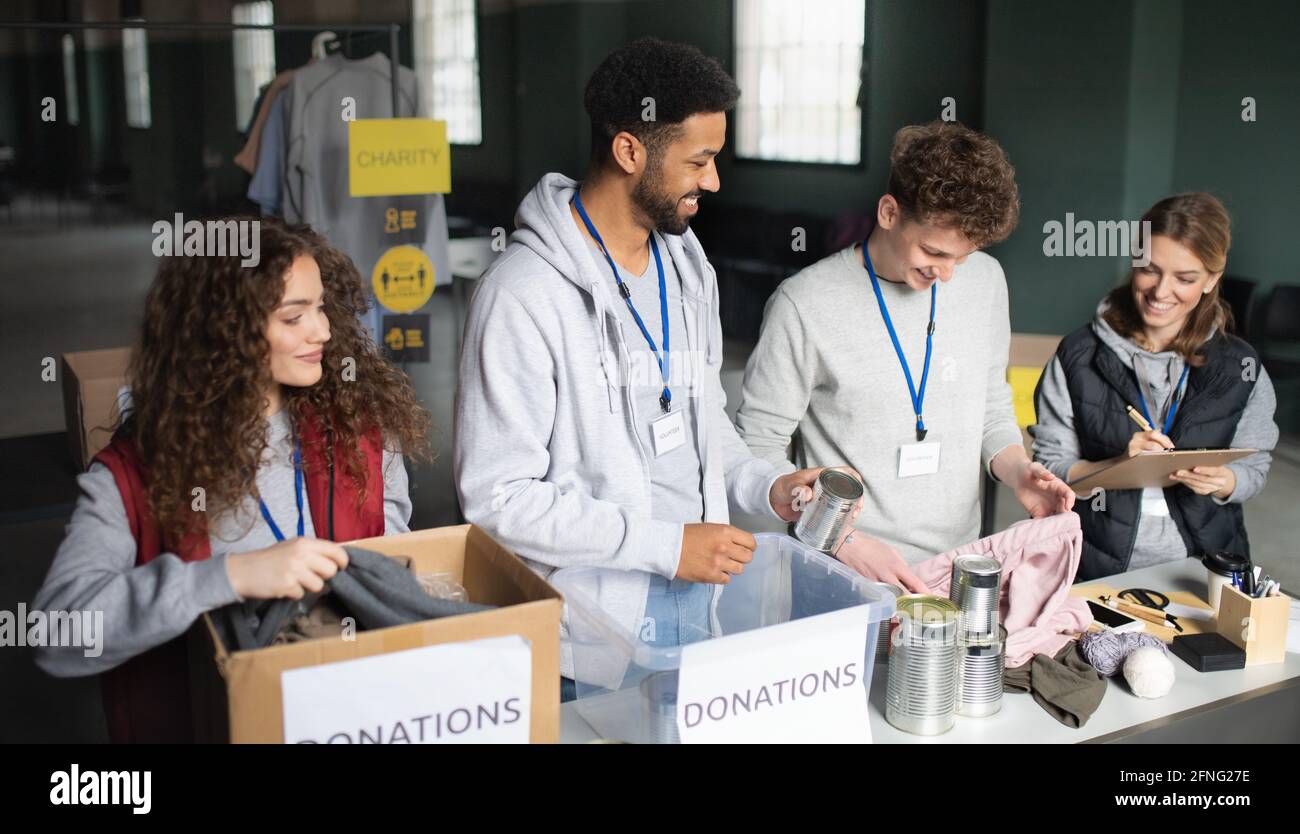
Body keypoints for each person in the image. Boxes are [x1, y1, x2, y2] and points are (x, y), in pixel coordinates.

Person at [454, 38, 840, 699]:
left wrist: (766, 487)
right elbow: (498, 499)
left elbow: (700, 422)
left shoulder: (689, 268)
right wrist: (667, 545)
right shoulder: (522, 294)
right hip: (587, 638)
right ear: (630, 150)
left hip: (697, 609)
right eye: (699, 161)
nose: (714, 182)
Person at [32, 219, 432, 741]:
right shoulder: (130, 479)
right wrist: (231, 576)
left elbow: (396, 565)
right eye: (294, 317)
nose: (324, 331)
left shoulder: (360, 431)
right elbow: (57, 634)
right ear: (224, 332)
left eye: (321, 308)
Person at [737, 121, 1074, 591]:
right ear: (889, 212)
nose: (949, 274)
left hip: (958, 569)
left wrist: (1017, 472)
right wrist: (842, 539)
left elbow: (991, 405)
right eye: (933, 251)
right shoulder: (804, 303)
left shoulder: (986, 280)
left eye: (964, 256)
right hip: (841, 571)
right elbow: (756, 446)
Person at [1032, 192, 1278, 579]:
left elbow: (1255, 464)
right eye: (1149, 269)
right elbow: (1049, 465)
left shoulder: (1241, 365)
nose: (1161, 292)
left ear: (1212, 278)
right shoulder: (1076, 354)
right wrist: (1117, 466)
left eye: (1185, 278)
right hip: (1093, 563)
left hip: (1206, 564)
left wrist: (1227, 480)